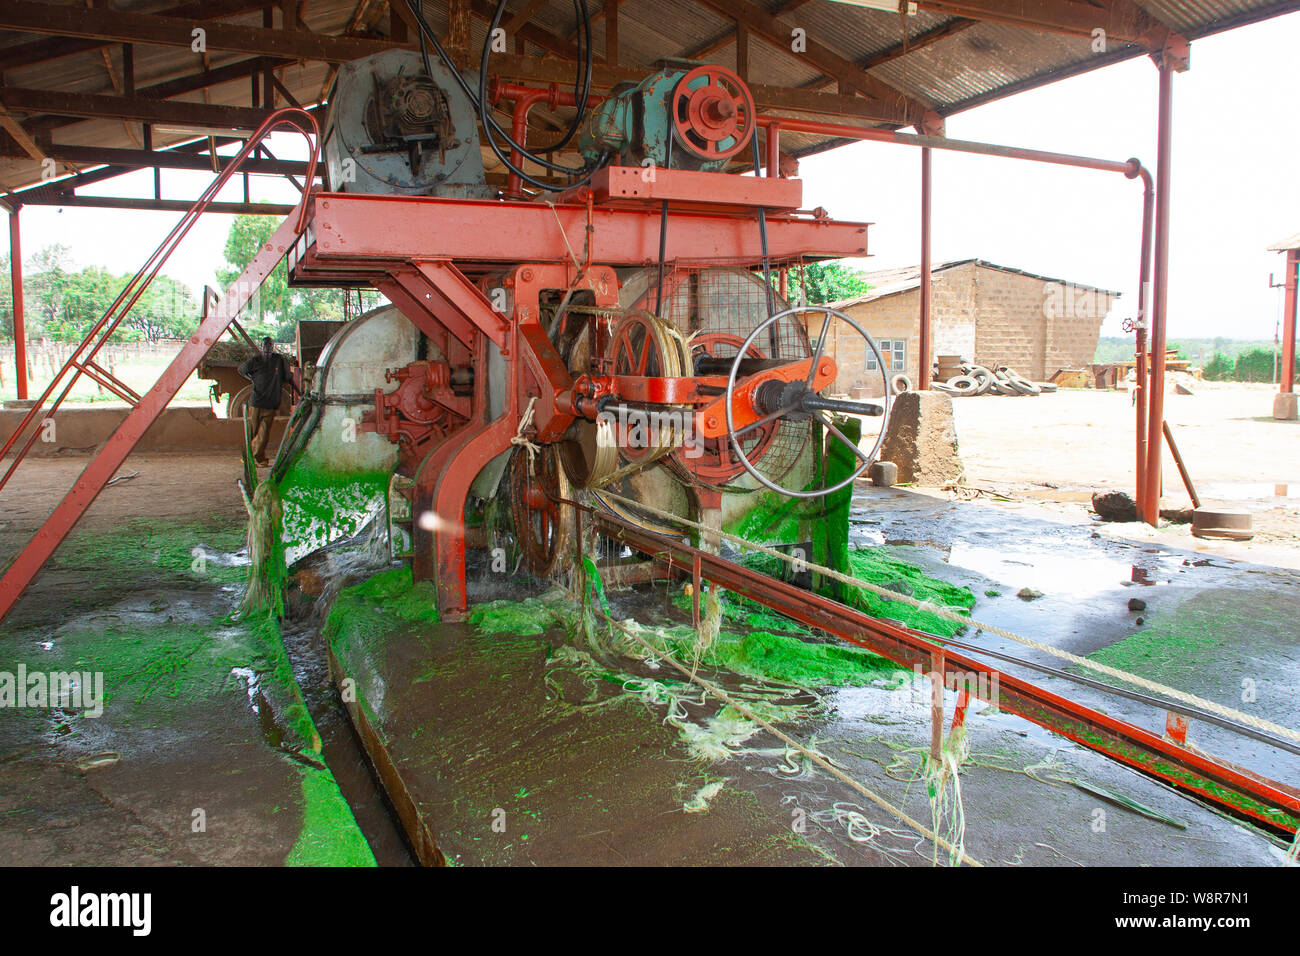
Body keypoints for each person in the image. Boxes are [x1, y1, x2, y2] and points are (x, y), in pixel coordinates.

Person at [237, 337, 298, 466]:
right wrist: (252, 378)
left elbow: (288, 378)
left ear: (273, 346)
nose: (268, 347)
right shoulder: (256, 360)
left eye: (270, 345)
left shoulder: (279, 360)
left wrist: (299, 392)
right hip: (256, 402)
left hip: (271, 403)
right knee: (253, 430)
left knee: (264, 434)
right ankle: (248, 456)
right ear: (261, 346)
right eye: (265, 345)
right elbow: (241, 370)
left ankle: (259, 458)